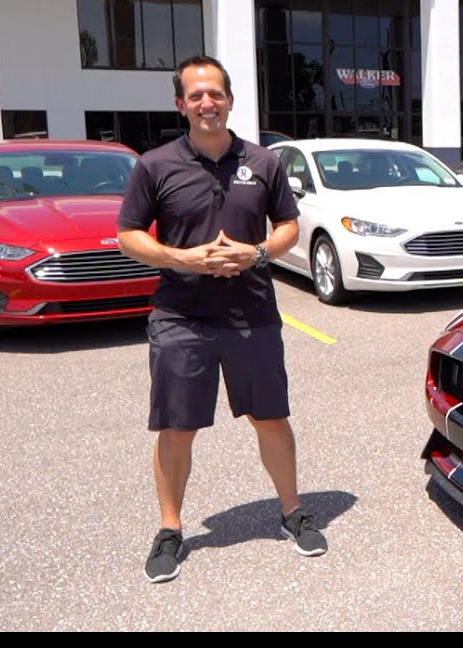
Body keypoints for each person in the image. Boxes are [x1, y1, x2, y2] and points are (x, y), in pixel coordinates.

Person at [117, 55, 327, 584]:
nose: (206, 103)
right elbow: (129, 234)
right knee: (176, 426)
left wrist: (256, 253)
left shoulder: (264, 162)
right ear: (180, 104)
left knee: (270, 418)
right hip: (180, 315)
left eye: (215, 93)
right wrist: (181, 258)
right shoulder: (155, 165)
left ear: (230, 99)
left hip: (251, 312)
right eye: (195, 95)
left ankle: (292, 512)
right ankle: (170, 528)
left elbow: (287, 227)